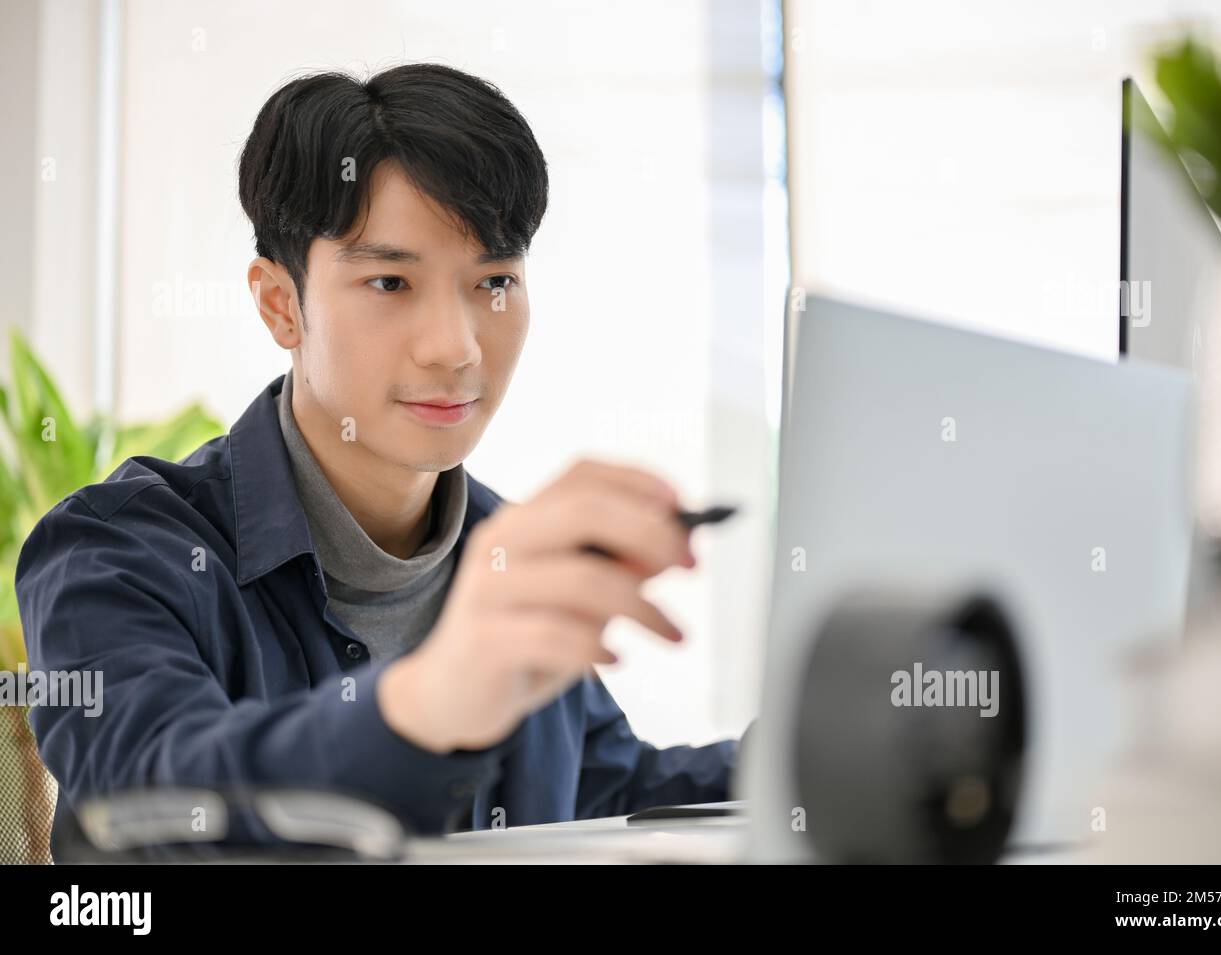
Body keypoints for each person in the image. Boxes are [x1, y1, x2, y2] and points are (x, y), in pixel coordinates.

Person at [16, 63, 744, 859]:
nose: (457, 348)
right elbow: (158, 804)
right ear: (280, 305)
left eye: (494, 280)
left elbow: (608, 791)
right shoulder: (111, 551)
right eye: (391, 281)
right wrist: (423, 705)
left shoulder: (504, 549)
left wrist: (832, 743)